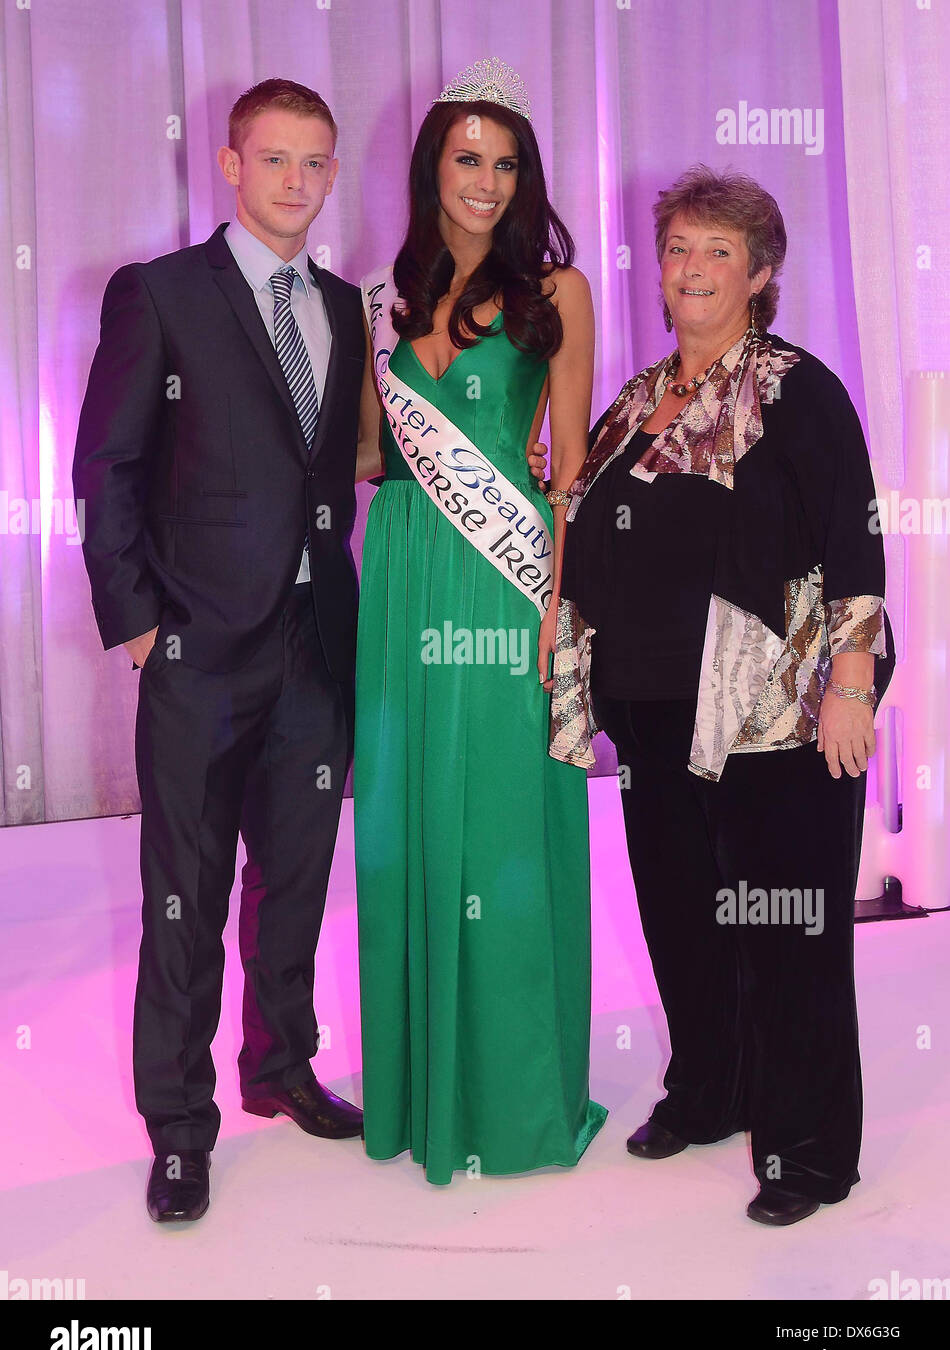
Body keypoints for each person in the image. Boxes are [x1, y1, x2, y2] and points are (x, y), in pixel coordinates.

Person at [552, 164, 894, 1226]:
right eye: (677, 249)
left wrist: (851, 685)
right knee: (684, 924)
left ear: (759, 273)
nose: (690, 268)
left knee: (785, 936)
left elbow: (852, 541)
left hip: (773, 721)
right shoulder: (630, 402)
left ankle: (806, 1151)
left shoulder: (795, 387)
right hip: (653, 718)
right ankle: (707, 1091)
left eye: (716, 251)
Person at [72, 79, 365, 1223]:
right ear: (231, 167)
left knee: (293, 876)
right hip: (196, 645)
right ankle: (179, 1126)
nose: (296, 181)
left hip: (312, 643)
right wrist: (141, 625)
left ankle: (280, 1062)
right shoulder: (159, 295)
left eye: (315, 163)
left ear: (331, 175)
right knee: (182, 894)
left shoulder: (343, 305)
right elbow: (108, 470)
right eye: (275, 159)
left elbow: (326, 471)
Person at [353, 59, 607, 1184]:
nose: (487, 182)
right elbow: (369, 457)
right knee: (409, 815)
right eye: (467, 159)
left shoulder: (558, 292)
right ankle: (419, 1087)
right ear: (432, 166)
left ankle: (510, 1095)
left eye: (506, 165)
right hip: (405, 576)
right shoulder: (379, 299)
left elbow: (569, 476)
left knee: (502, 822)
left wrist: (557, 611)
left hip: (505, 579)